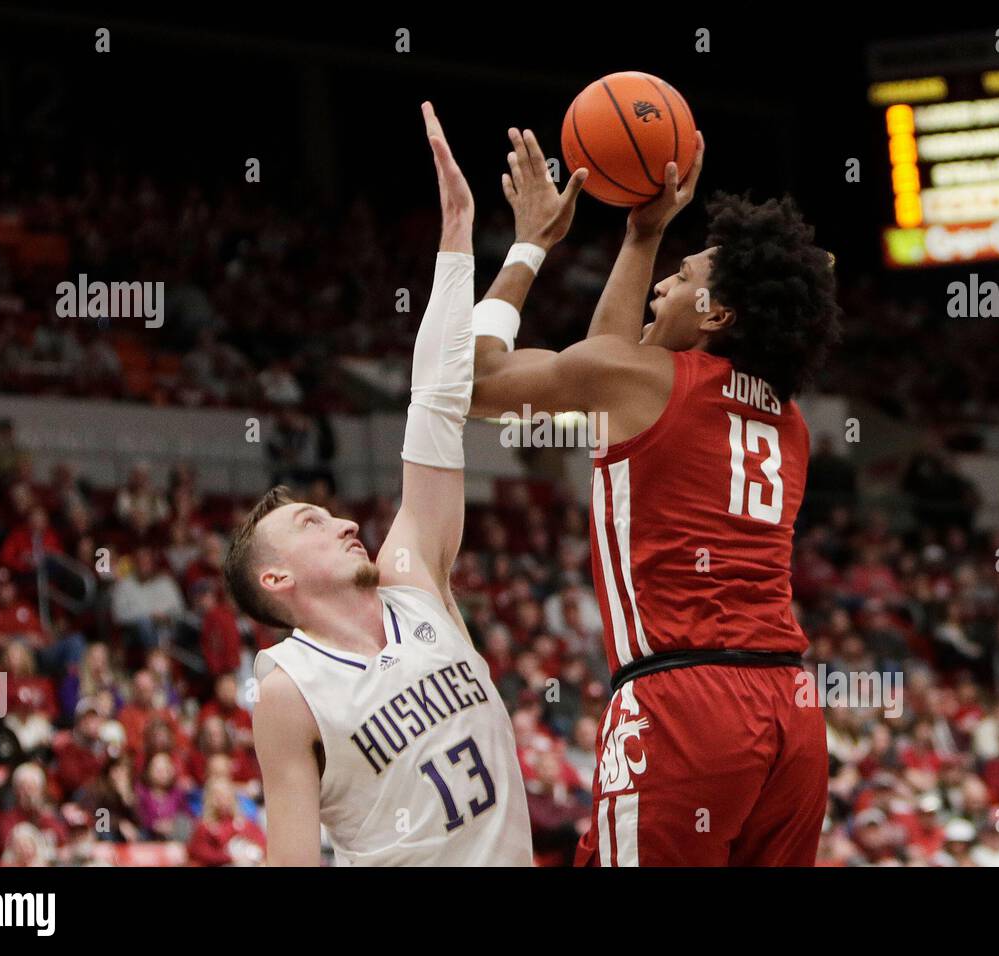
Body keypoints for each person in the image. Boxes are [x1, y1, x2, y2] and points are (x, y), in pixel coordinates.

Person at [465, 121, 842, 865]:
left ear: (718, 314)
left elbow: (472, 382)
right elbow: (611, 362)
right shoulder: (787, 420)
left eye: (684, 274)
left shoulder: (644, 382)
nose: (664, 282)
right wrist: (642, 236)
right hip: (791, 716)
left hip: (687, 707)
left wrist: (531, 243)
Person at [227, 103, 531, 867]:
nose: (338, 523)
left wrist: (459, 233)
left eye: (326, 512)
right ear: (276, 577)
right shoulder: (288, 683)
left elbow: (433, 403)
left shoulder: (413, 578)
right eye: (308, 524)